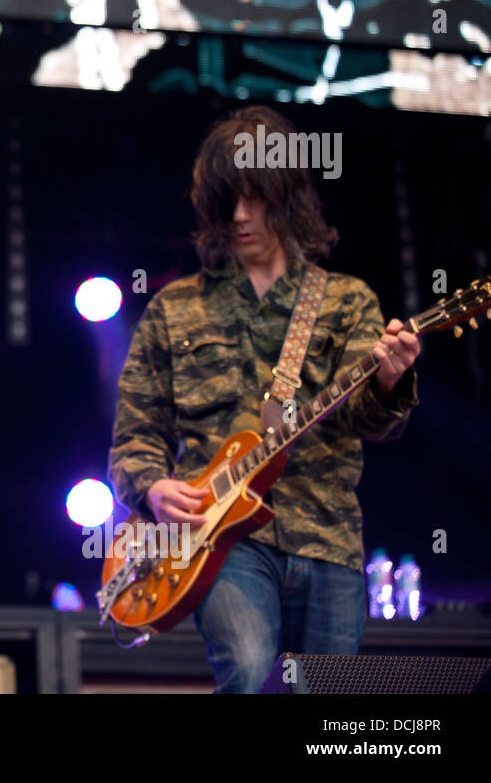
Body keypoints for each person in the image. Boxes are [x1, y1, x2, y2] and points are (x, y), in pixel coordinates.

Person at [109, 105, 420, 693]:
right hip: (223, 541)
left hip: (325, 533)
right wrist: (151, 487)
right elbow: (136, 432)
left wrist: (387, 382)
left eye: (257, 197)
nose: (241, 216)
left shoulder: (347, 302)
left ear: (291, 197)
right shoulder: (174, 309)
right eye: (227, 200)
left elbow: (372, 422)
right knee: (248, 672)